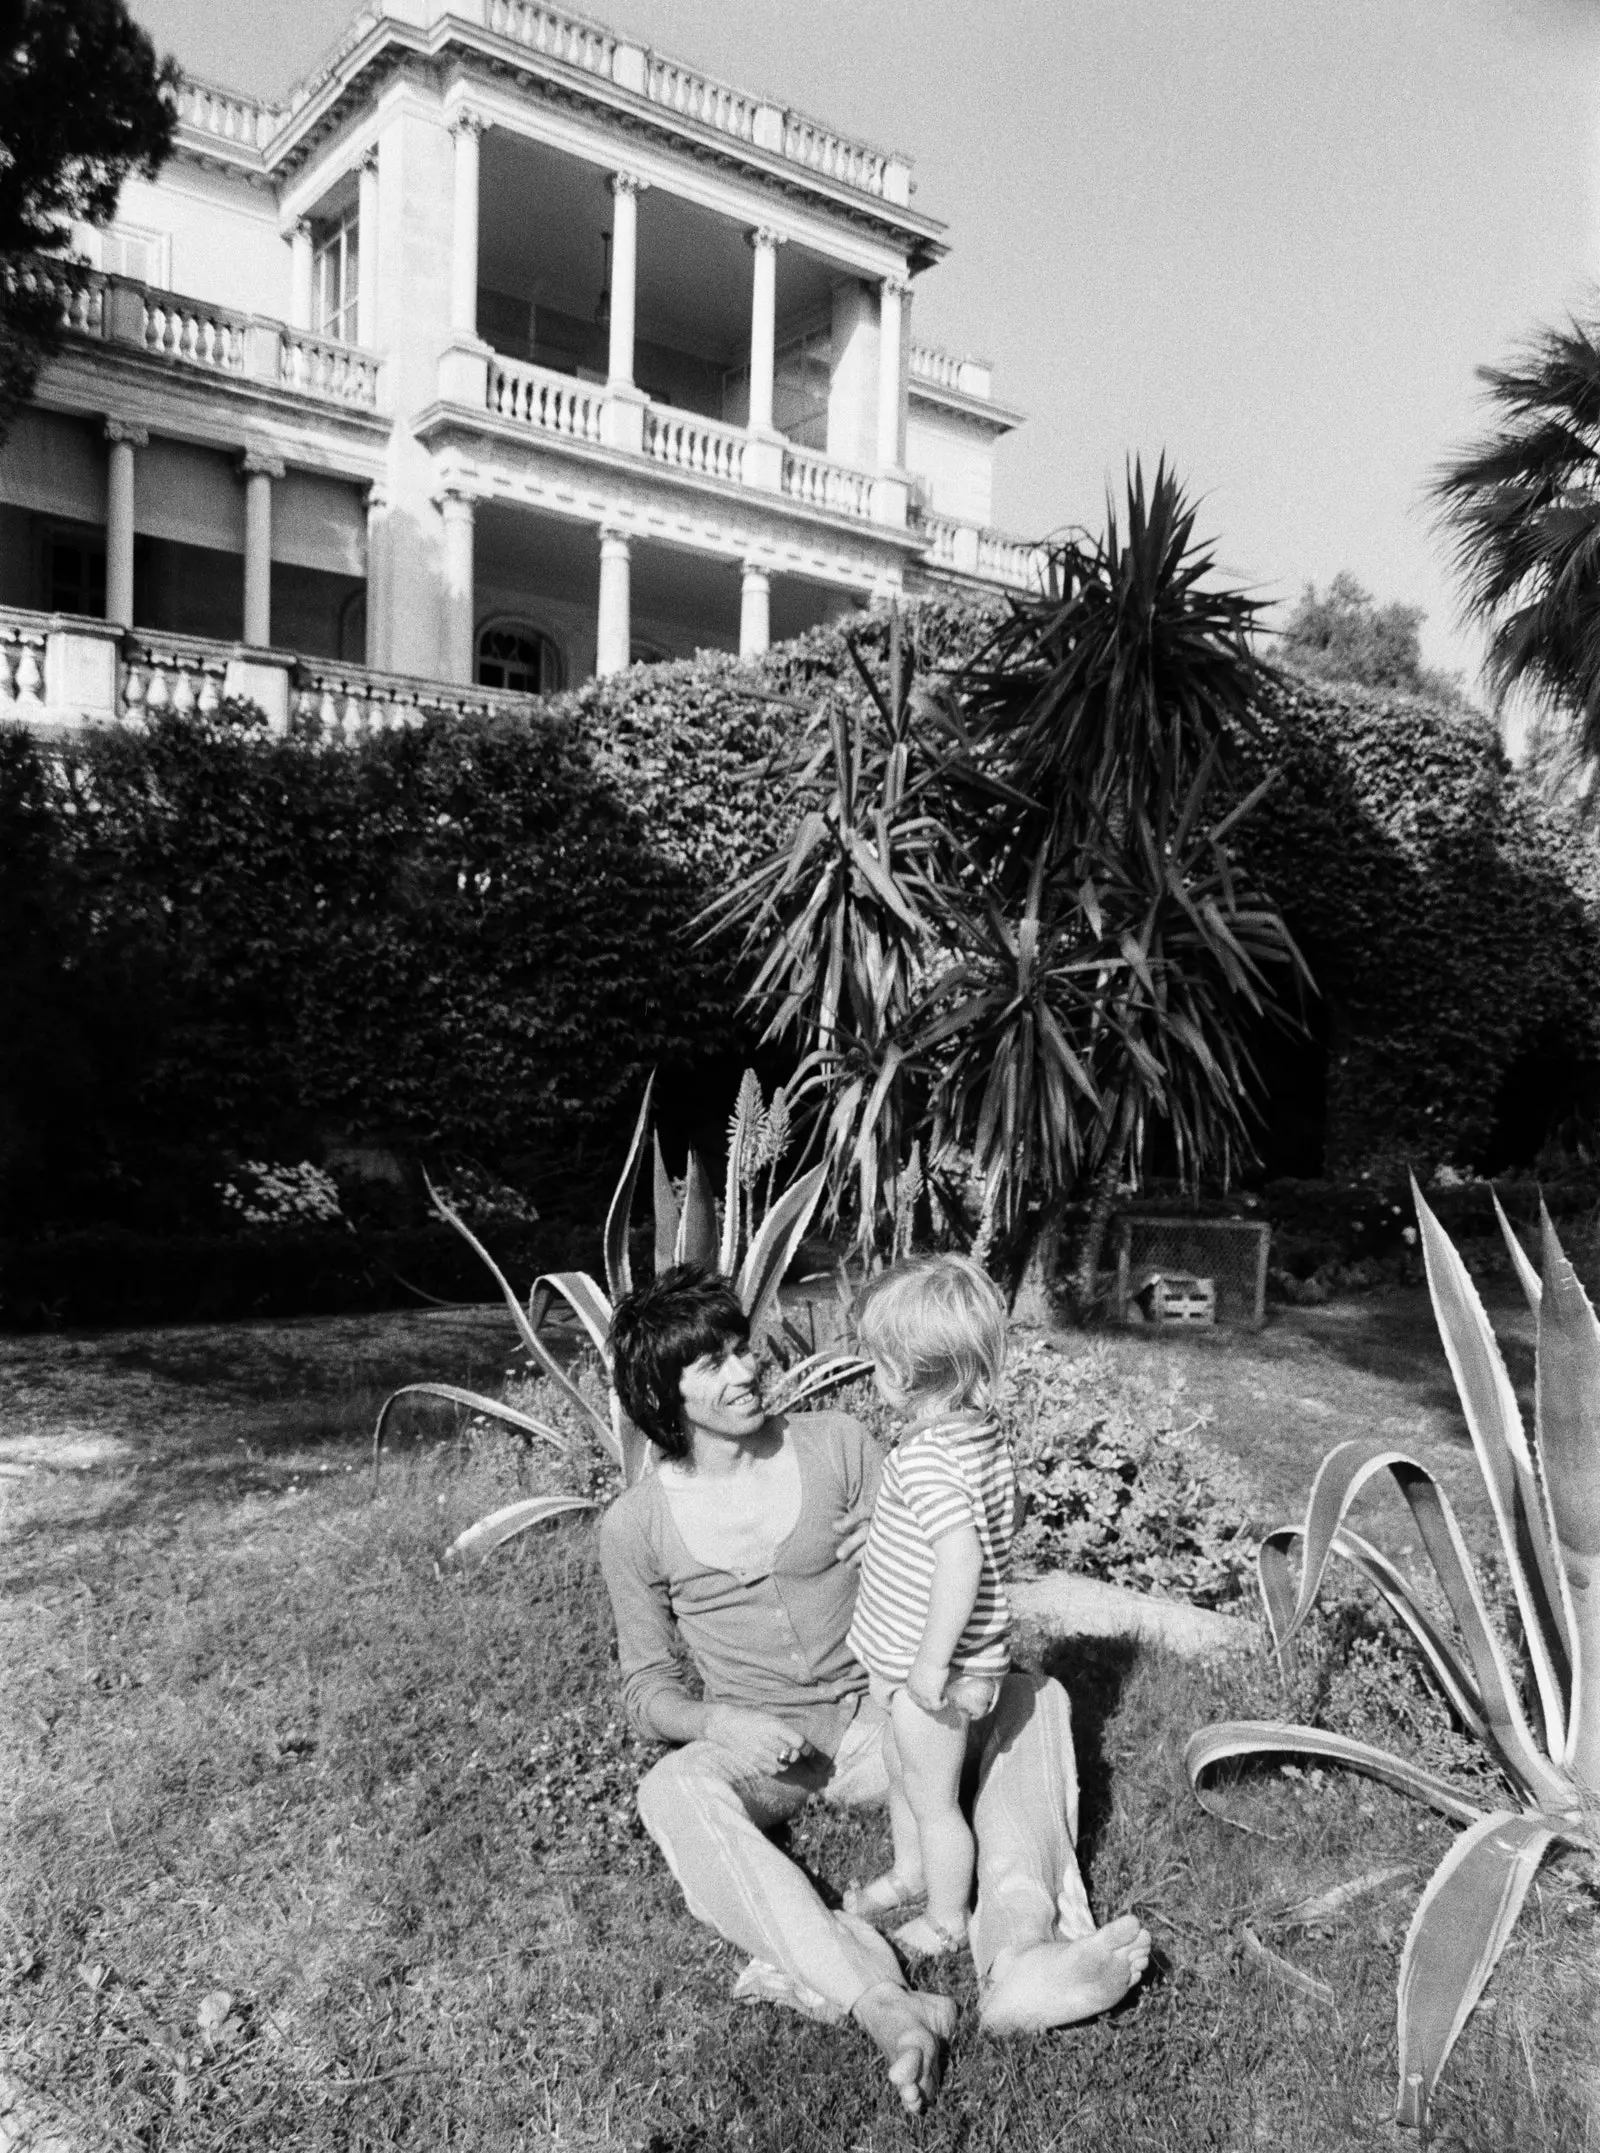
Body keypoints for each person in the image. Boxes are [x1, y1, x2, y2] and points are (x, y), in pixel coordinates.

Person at [598, 1264, 1150, 2118]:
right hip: (771, 1753)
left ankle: (1022, 1951)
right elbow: (645, 1688)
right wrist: (717, 1721)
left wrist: (884, 1555)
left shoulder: (837, 1445)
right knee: (670, 1786)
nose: (745, 1370)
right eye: (710, 1362)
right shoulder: (635, 1524)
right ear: (659, 1394)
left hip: (888, 1718)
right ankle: (881, 1999)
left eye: (741, 1347)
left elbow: (945, 1547)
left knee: (1031, 1694)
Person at [843, 1255, 1016, 1958]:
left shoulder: (923, 1459)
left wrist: (932, 1663)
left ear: (898, 1373)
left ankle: (946, 1917)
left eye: (875, 1361)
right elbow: (982, 1529)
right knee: (900, 1765)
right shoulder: (976, 1436)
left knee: (935, 1796)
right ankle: (911, 1872)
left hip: (933, 1666)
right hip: (922, 1657)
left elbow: (963, 1556)